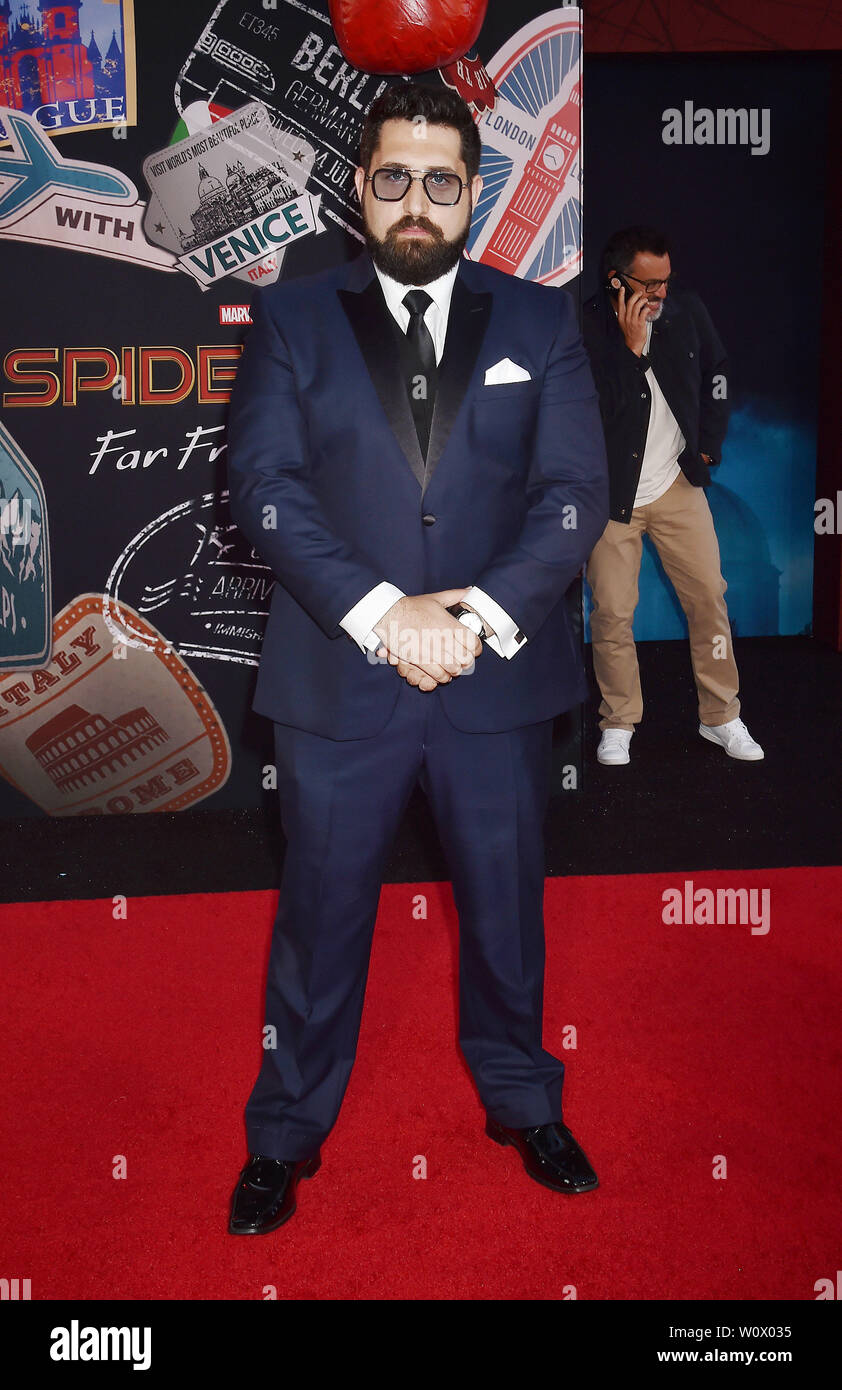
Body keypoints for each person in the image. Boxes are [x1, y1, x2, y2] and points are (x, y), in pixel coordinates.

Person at [225, 83, 609, 1235]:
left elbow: (573, 493)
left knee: (505, 910)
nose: (415, 202)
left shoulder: (540, 322)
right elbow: (263, 485)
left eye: (440, 181)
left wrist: (473, 616)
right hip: (342, 678)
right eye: (392, 176)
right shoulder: (292, 319)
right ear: (359, 186)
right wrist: (387, 612)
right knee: (319, 918)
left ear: (471, 193)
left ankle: (522, 1102)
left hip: (495, 677)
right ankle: (284, 1134)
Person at [581, 226, 764, 766]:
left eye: (666, 281)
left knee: (709, 598)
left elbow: (719, 372)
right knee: (613, 613)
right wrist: (631, 351)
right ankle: (618, 722)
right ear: (616, 279)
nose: (661, 293)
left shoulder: (686, 311)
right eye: (649, 283)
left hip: (678, 487)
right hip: (613, 496)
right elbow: (591, 411)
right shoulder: (584, 325)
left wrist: (708, 446)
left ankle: (722, 716)